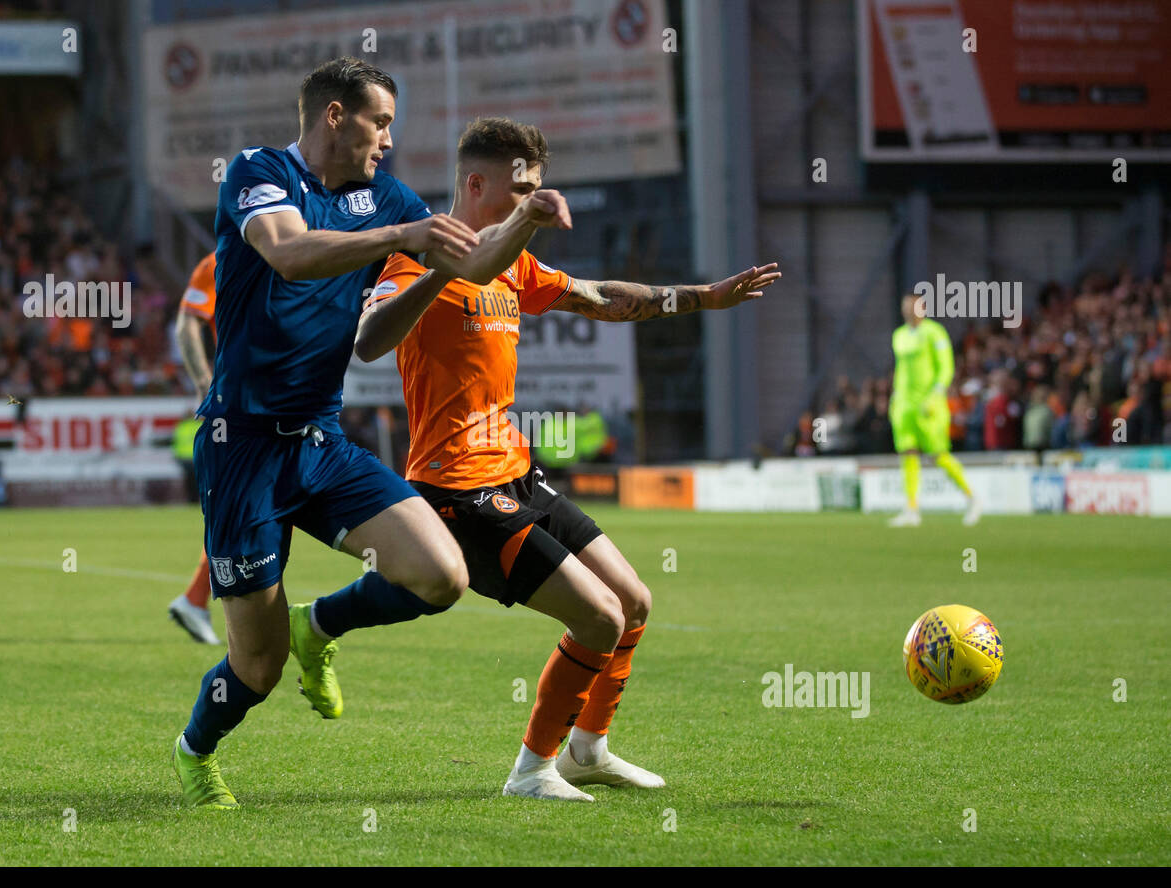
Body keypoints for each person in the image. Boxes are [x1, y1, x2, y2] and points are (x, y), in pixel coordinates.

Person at [170, 60, 572, 809]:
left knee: (442, 574)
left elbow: (474, 260)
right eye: (379, 121)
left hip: (318, 440)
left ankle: (319, 624)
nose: (389, 137)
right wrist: (401, 233)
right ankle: (196, 748)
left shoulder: (386, 195)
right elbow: (289, 254)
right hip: (242, 445)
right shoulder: (260, 172)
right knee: (256, 665)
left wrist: (523, 220)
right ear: (333, 115)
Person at [354, 117, 779, 801]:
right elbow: (371, 339)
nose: (532, 202)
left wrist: (704, 297)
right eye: (520, 190)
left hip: (517, 476)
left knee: (634, 602)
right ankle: (531, 770)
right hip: (456, 492)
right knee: (599, 618)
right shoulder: (415, 257)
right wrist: (447, 267)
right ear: (476, 184)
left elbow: (601, 296)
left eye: (538, 191)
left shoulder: (516, 264)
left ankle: (588, 749)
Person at [887, 294, 980, 527]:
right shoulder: (898, 336)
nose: (908, 309)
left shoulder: (935, 332)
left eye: (912, 305)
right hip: (905, 405)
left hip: (929, 405)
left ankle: (972, 497)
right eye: (905, 305)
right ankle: (911, 509)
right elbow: (901, 370)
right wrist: (896, 397)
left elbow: (945, 367)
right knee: (907, 453)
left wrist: (935, 395)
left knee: (937, 455)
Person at [167, 252, 221, 645]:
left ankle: (195, 599)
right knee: (247, 509)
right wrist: (204, 380)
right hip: (243, 404)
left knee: (253, 509)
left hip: (291, 403)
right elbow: (188, 321)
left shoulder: (309, 243)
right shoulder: (219, 261)